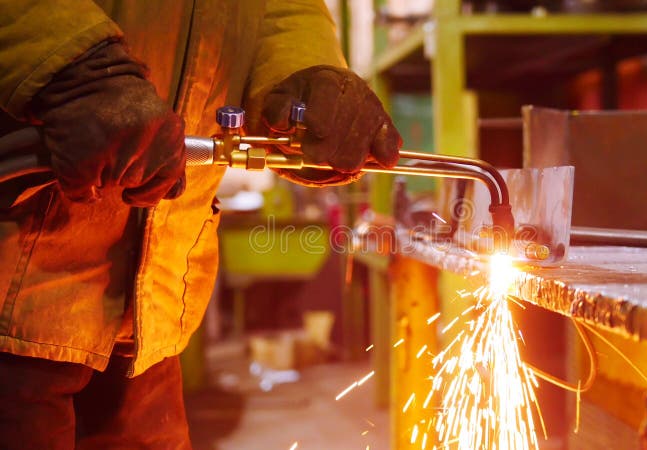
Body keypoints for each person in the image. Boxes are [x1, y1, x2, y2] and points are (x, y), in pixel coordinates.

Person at [0, 1, 401, 448]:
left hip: (153, 310)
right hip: (18, 287)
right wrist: (71, 67)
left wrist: (306, 76)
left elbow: (282, 8)